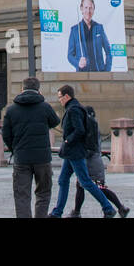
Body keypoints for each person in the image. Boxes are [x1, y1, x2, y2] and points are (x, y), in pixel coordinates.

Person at [48, 85, 116, 218]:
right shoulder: (73, 107)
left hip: (75, 151)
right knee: (63, 180)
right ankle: (57, 212)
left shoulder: (74, 109)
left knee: (85, 182)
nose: (59, 100)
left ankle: (108, 208)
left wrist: (68, 140)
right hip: (71, 152)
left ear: (67, 96)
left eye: (60, 97)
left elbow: (80, 130)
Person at [1, 77, 61, 218]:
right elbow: (55, 122)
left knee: (22, 195)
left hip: (21, 158)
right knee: (43, 193)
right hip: (43, 158)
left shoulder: (11, 110)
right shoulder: (45, 106)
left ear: (22, 89)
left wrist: (14, 149)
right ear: (38, 90)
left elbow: (6, 135)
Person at [68, 106, 129, 218]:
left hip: (91, 163)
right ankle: (76, 212)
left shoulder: (90, 127)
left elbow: (90, 148)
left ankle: (120, 208)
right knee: (81, 186)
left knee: (100, 189)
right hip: (92, 162)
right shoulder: (93, 126)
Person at [66, 0, 112, 72]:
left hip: (99, 72)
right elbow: (70, 55)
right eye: (86, 7)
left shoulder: (99, 28)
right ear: (81, 9)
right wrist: (78, 63)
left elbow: (108, 51)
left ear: (94, 10)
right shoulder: (74, 30)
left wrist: (107, 70)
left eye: (91, 8)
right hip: (82, 74)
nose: (88, 11)